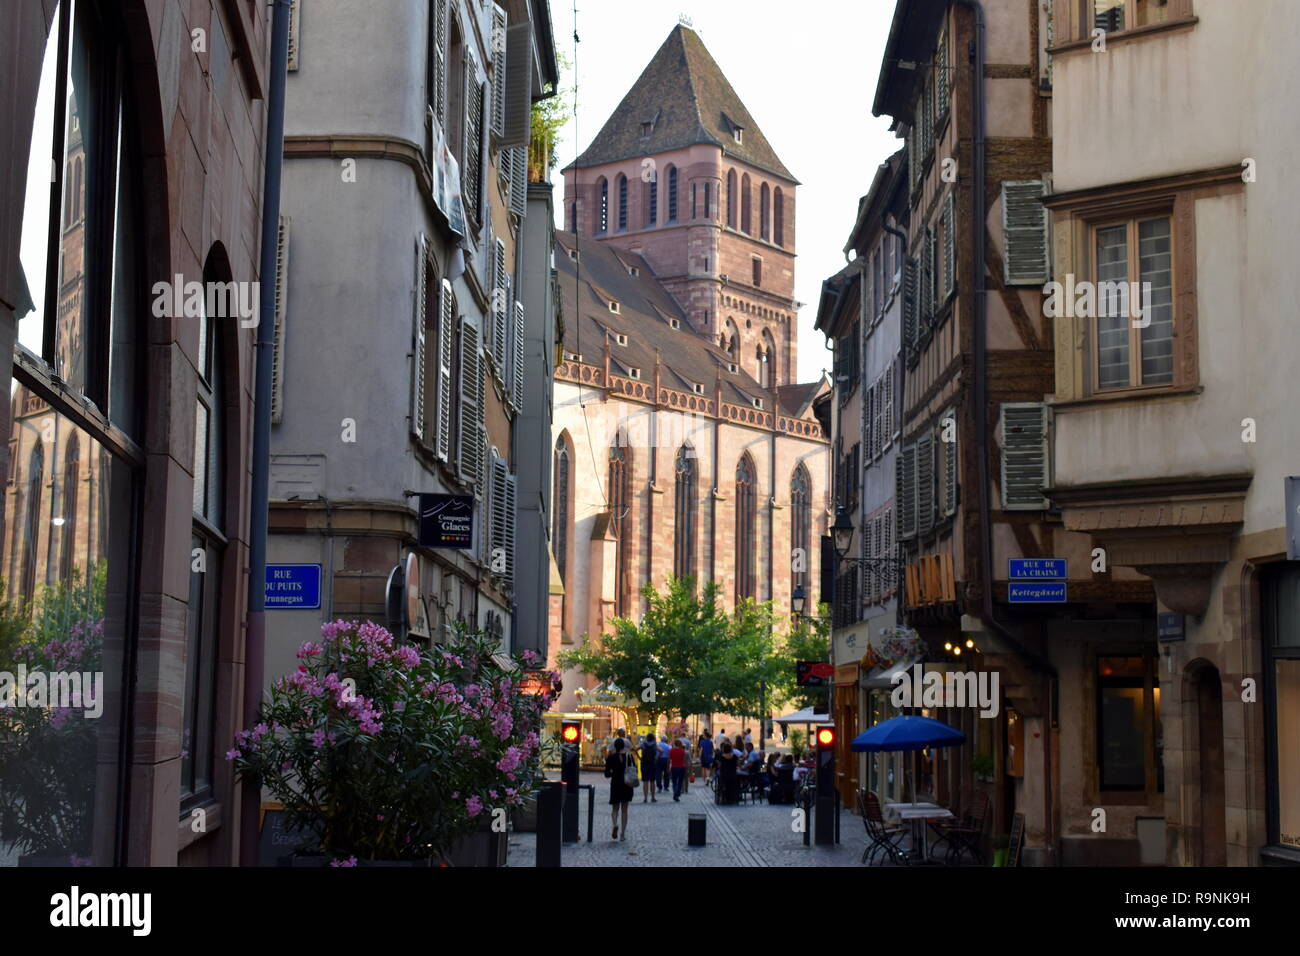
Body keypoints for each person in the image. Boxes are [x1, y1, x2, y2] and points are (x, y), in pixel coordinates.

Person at [604, 738, 634, 840]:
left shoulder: (611, 758)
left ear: (614, 746)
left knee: (615, 808)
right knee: (624, 810)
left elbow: (607, 774)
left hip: (615, 784)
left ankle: (615, 824)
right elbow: (633, 771)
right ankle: (623, 834)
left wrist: (613, 773)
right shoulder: (629, 757)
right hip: (626, 784)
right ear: (624, 746)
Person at [716, 740, 741, 805]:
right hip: (732, 776)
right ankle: (733, 798)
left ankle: (723, 796)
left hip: (724, 776)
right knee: (737, 782)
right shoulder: (734, 756)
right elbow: (738, 764)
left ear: (724, 749)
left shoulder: (721, 757)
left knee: (720, 782)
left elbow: (719, 766)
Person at [640, 734, 659, 803]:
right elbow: (661, 751)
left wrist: (640, 758)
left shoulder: (643, 744)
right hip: (652, 764)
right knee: (652, 781)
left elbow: (635, 749)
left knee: (645, 782)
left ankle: (645, 798)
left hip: (644, 764)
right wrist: (656, 758)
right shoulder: (654, 745)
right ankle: (653, 797)